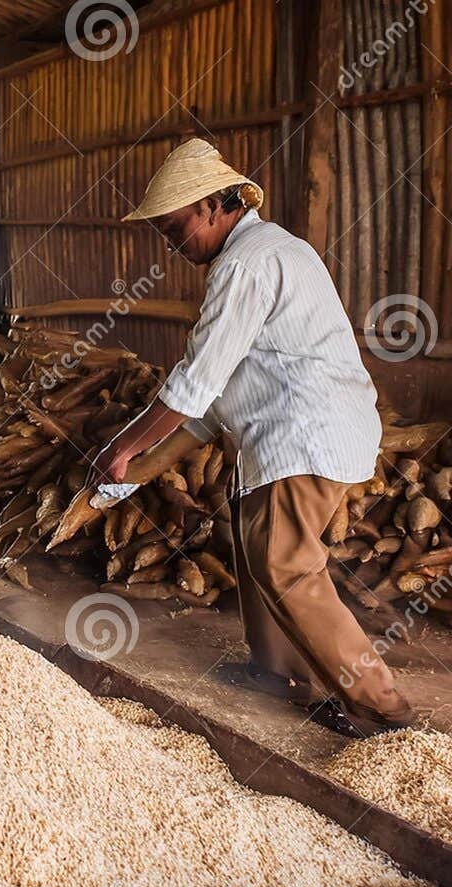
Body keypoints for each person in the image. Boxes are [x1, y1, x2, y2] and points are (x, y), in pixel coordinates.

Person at [95, 138, 415, 738]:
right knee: (254, 544)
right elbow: (209, 408)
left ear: (215, 206)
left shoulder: (248, 261)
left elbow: (194, 383)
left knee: (286, 565)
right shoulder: (259, 255)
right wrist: (135, 466)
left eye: (174, 227)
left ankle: (383, 710)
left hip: (306, 433)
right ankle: (278, 673)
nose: (171, 242)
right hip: (284, 436)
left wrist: (126, 444)